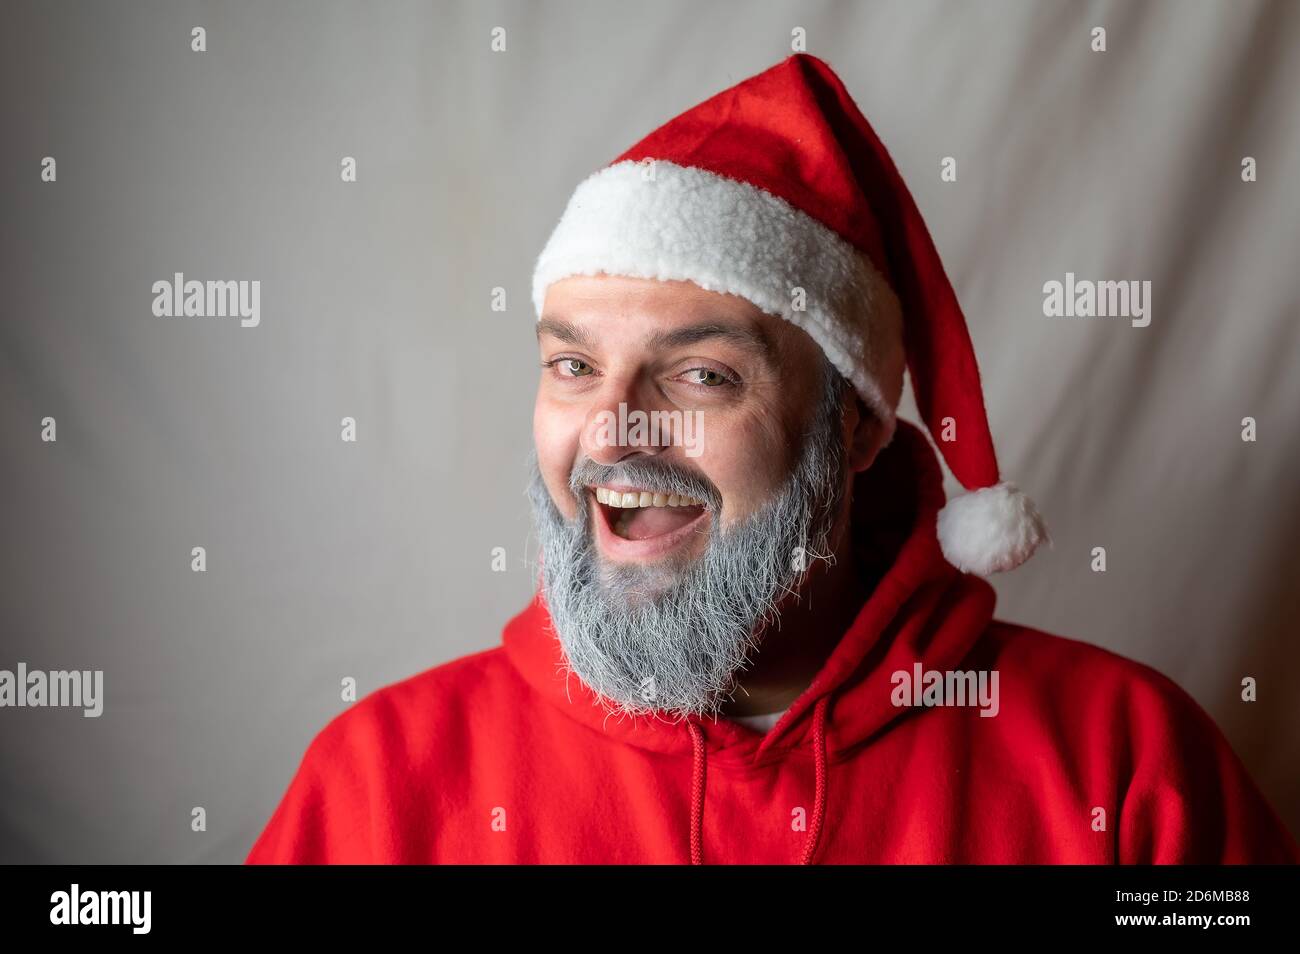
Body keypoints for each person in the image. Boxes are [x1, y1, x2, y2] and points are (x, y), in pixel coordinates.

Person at [245, 53, 1297, 864]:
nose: (613, 430)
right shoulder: (378, 784)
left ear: (859, 425)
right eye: (573, 365)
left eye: (699, 376)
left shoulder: (1127, 762)